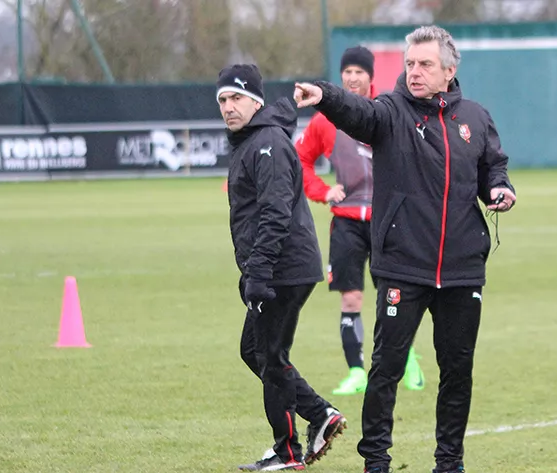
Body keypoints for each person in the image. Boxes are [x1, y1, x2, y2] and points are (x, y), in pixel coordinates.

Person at [294, 25, 516, 473]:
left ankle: (449, 462)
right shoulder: (389, 112)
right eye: (409, 64)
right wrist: (324, 94)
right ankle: (375, 461)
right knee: (386, 369)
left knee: (457, 372)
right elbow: (357, 112)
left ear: (449, 70)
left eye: (425, 65)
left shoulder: (475, 116)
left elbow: (494, 165)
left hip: (461, 268)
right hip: (403, 265)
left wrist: (500, 189)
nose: (414, 72)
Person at [218, 63, 347, 471]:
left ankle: (288, 451)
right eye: (222, 100)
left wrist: (258, 273)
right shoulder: (254, 139)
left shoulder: (266, 143)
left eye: (236, 98)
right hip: (279, 266)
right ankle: (321, 414)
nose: (228, 107)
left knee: (270, 357)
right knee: (255, 351)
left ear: (255, 101)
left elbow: (274, 213)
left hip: (283, 269)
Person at [295, 45, 425, 396]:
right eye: (347, 72)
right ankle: (356, 371)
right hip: (348, 223)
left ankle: (408, 360)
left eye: (359, 72)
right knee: (350, 299)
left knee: (395, 297)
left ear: (370, 77)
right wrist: (323, 191)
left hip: (388, 221)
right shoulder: (325, 120)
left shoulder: (387, 112)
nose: (352, 77)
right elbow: (300, 161)